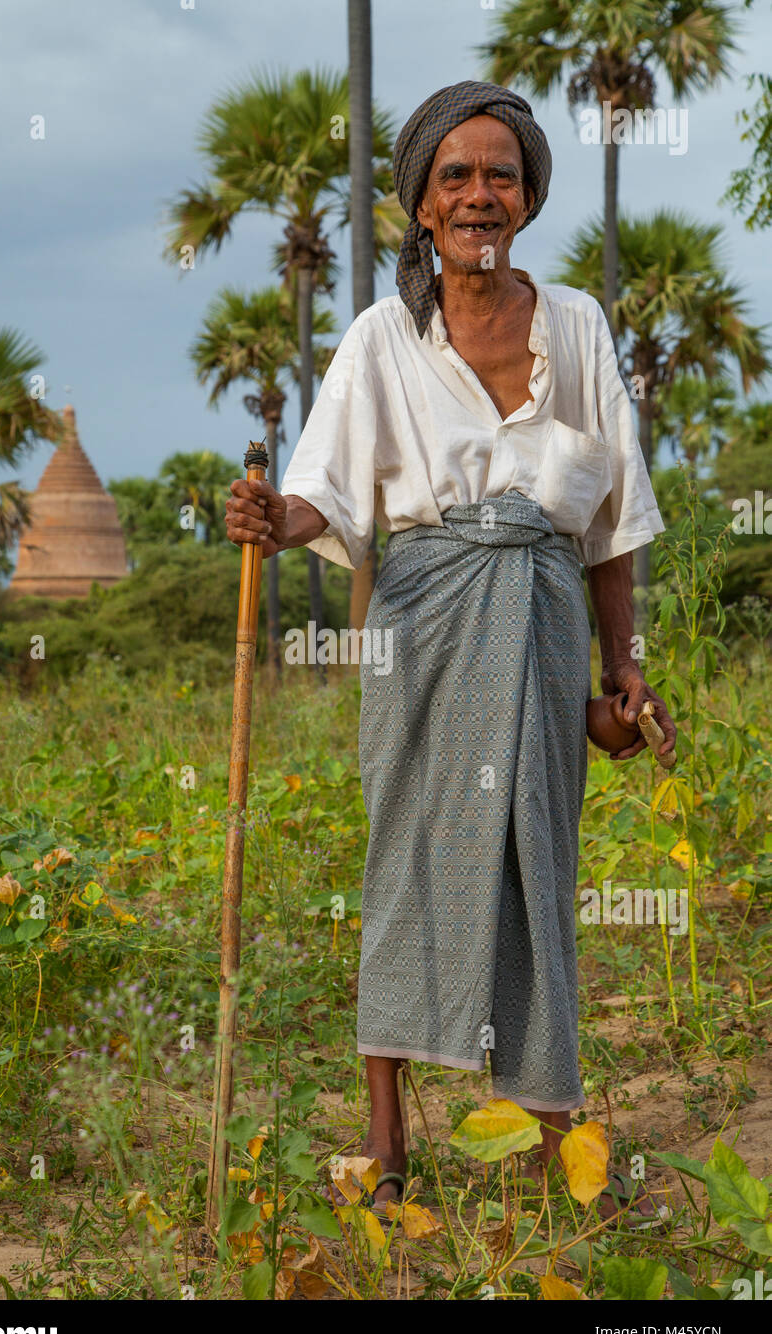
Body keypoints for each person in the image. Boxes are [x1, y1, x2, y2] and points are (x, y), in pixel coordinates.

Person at [224, 80, 677, 1224]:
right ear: (420, 206)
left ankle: (552, 1133)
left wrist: (619, 667)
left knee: (535, 850)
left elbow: (608, 522)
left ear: (526, 197)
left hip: (539, 612)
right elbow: (320, 496)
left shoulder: (572, 323)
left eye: (501, 176)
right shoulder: (383, 339)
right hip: (419, 619)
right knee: (407, 850)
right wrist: (267, 520)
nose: (480, 195)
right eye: (456, 178)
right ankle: (385, 1140)